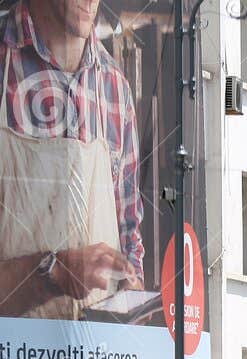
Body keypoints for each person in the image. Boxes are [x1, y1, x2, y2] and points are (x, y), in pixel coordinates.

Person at [0, 0, 146, 319]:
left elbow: (129, 233)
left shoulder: (114, 88)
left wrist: (132, 292)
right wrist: (54, 273)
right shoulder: (4, 65)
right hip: (10, 356)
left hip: (95, 357)